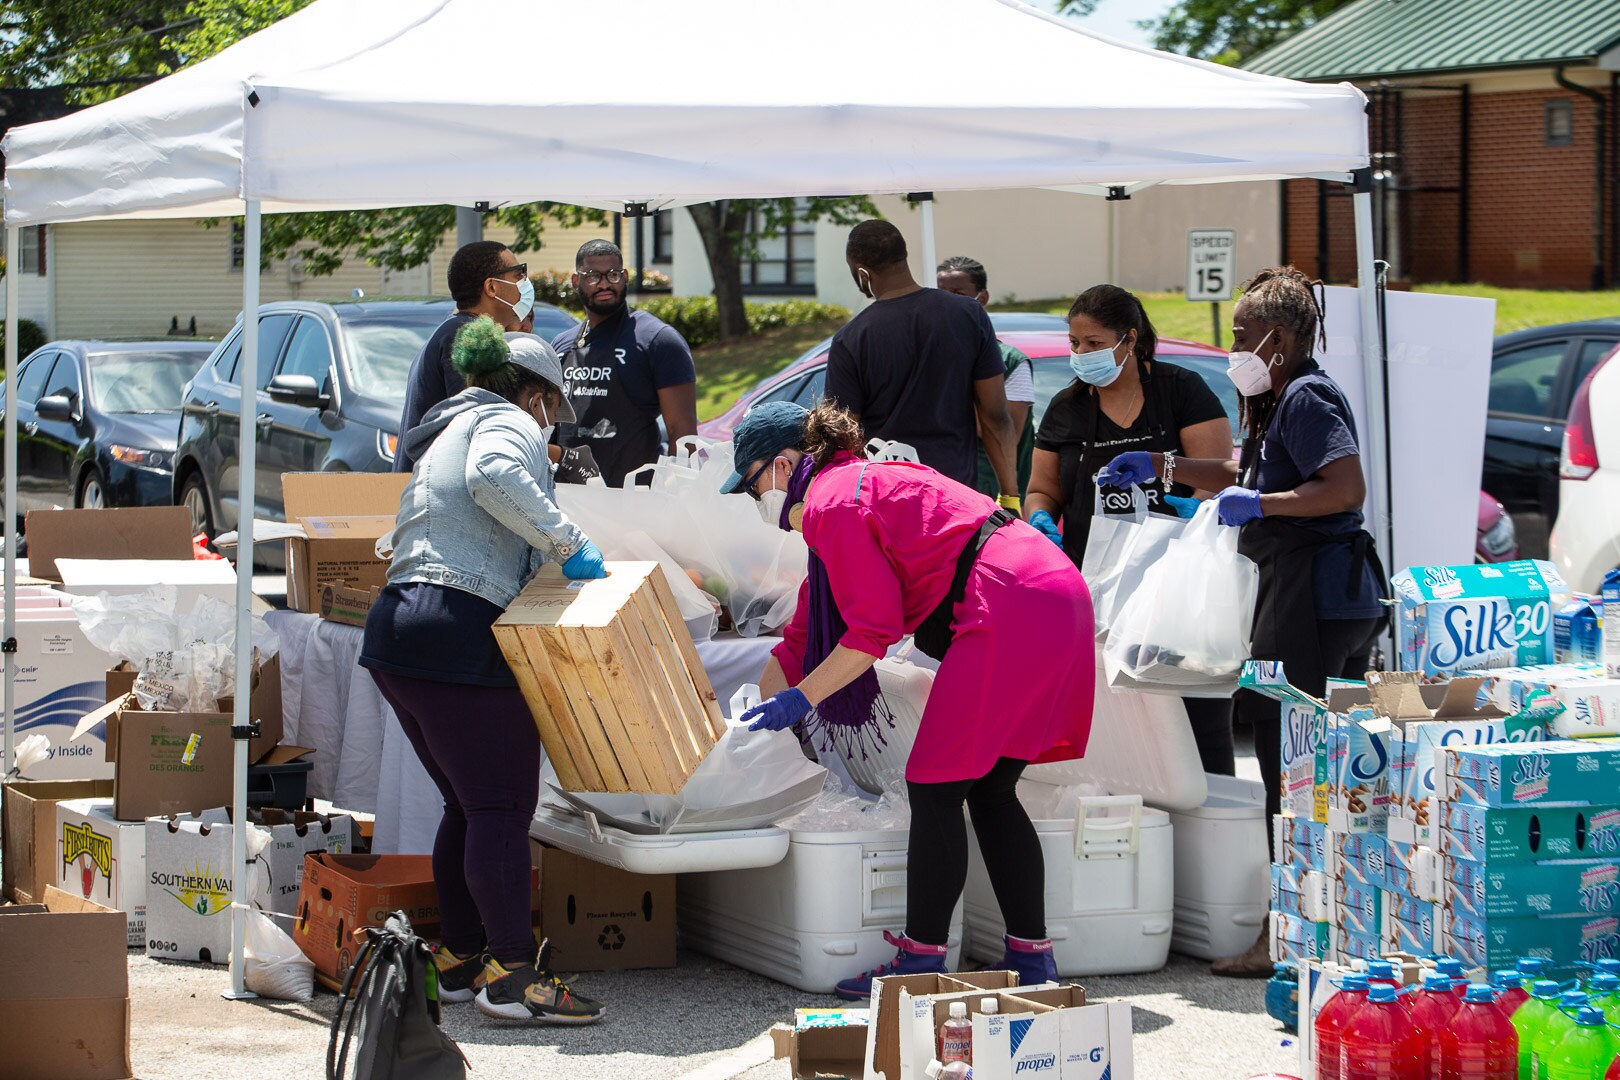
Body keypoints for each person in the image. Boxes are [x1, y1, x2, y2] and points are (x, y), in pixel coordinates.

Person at [724, 400, 1094, 999]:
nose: (755, 503)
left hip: (1006, 601)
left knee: (935, 786)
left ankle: (919, 966)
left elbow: (869, 634)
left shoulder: (830, 502)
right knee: (994, 789)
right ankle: (1032, 959)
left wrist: (801, 702)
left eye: (752, 485)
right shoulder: (855, 483)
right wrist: (759, 721)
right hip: (1054, 589)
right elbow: (804, 632)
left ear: (787, 465)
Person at [1098, 266, 1386, 977]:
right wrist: (1165, 466)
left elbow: (1344, 488)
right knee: (1299, 762)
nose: (1235, 349)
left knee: (1294, 765)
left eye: (1242, 336)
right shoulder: (1282, 398)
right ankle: (1309, 922)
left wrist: (1266, 509)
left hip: (1316, 603)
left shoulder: (1310, 396)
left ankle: (1287, 932)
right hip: (1299, 599)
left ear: (1279, 339)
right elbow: (1246, 479)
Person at [360, 316, 610, 1023]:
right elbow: (495, 477)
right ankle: (514, 977)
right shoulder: (507, 423)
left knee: (467, 807)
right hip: (458, 631)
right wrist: (569, 540)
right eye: (554, 408)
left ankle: (465, 956)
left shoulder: (448, 427)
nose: (554, 424)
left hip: (400, 629)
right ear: (536, 395)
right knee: (501, 808)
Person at [1025, 285, 1233, 772]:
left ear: (1130, 339)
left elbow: (1221, 473)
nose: (1080, 354)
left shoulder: (1181, 390)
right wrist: (1038, 518)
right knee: (1118, 721)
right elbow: (1043, 489)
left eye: (1094, 343)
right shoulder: (1066, 408)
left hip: (1176, 588)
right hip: (1096, 589)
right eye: (1074, 343)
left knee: (1194, 716)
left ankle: (1212, 813)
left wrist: (1193, 506)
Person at [826, 221, 1021, 508]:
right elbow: (996, 417)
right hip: (957, 499)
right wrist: (1010, 496)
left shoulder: (850, 339)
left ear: (862, 273)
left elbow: (844, 436)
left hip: (887, 502)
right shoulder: (969, 315)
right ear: (903, 257)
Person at [550, 240, 698, 487]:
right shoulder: (562, 345)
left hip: (634, 499)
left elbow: (683, 434)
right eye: (593, 276)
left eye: (613, 275)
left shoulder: (658, 341)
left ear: (625, 277)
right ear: (576, 282)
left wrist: (676, 495)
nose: (605, 283)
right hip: (570, 499)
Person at [395, 240, 528, 472]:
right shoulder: (466, 339)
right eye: (518, 275)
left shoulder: (453, 330)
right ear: (492, 287)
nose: (524, 284)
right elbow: (481, 432)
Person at [935, 256, 1036, 499]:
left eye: (958, 293)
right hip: (942, 489)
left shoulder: (1012, 363)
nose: (948, 302)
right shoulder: (932, 354)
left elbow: (1007, 437)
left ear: (982, 298)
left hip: (993, 496)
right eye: (942, 293)